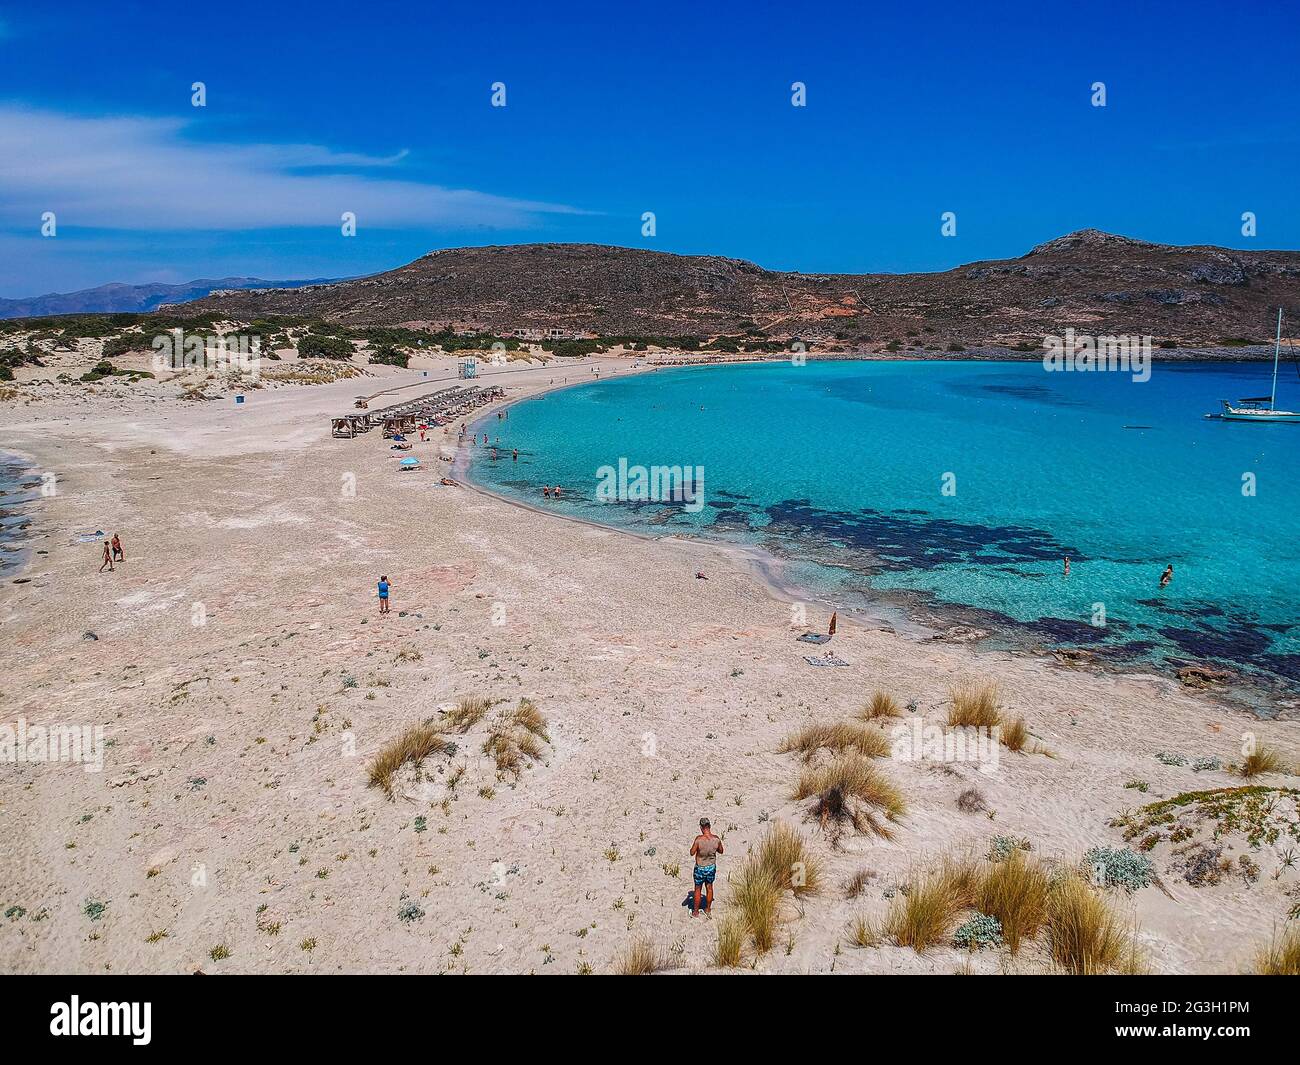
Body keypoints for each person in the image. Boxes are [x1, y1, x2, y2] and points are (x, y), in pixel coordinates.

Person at [690, 817, 723, 916]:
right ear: (709, 826)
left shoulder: (699, 840)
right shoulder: (716, 839)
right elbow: (721, 851)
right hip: (711, 866)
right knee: (709, 887)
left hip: (700, 867)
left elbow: (692, 852)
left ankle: (695, 912)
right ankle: (708, 909)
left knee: (698, 889)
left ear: (701, 827)